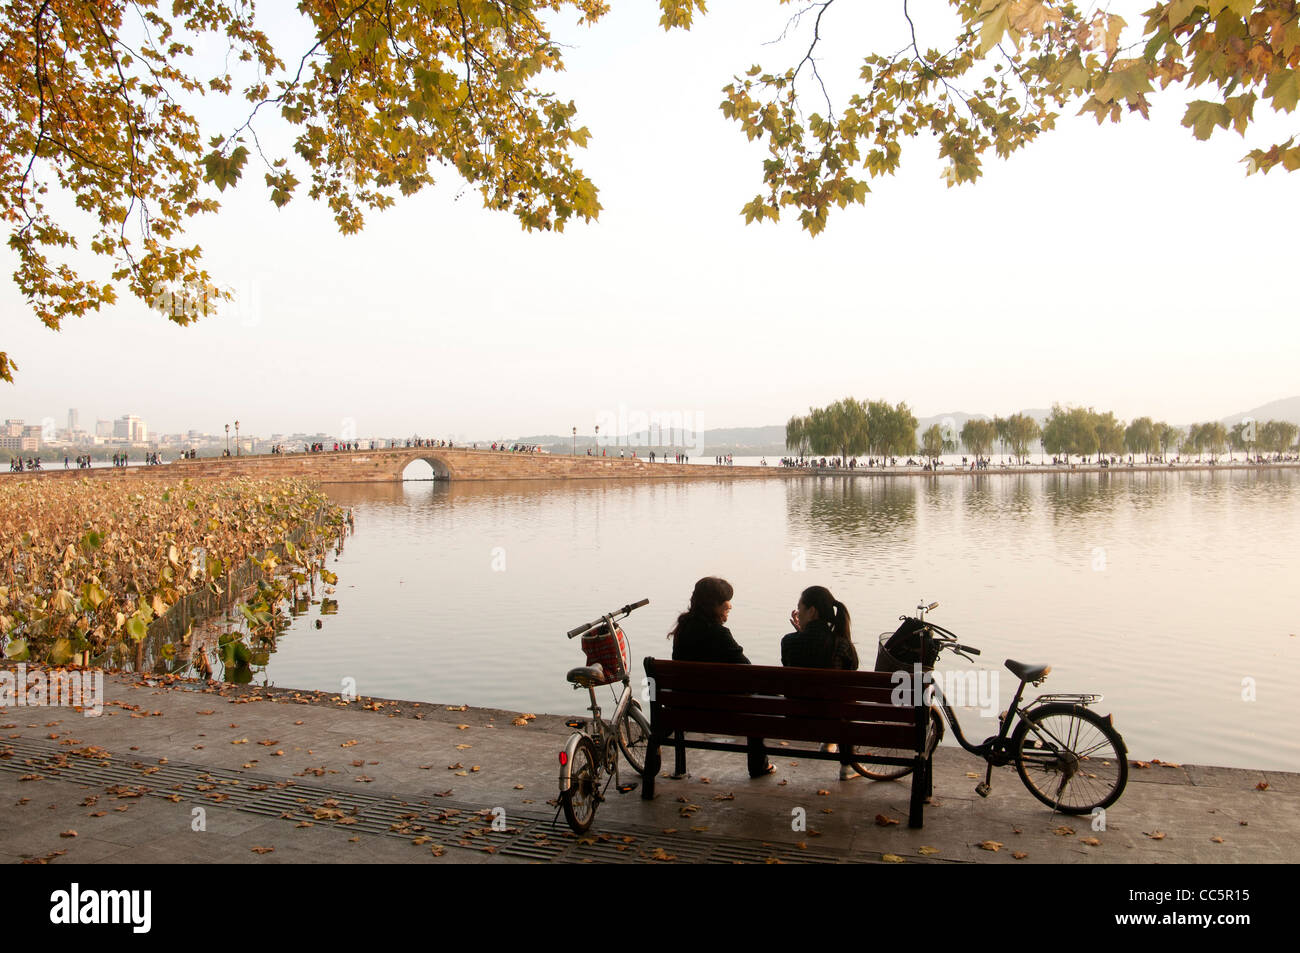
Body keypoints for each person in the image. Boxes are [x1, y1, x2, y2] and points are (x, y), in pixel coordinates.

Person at [669, 576, 775, 777]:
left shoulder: (683, 630)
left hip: (684, 710)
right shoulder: (720, 635)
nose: (730, 605)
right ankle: (758, 766)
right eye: (726, 600)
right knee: (757, 704)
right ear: (714, 606)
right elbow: (749, 672)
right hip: (725, 713)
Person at [781, 585, 859, 779]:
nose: (798, 612)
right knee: (844, 699)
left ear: (812, 611)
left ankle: (829, 742)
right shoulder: (840, 643)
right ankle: (846, 767)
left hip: (795, 718)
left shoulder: (788, 641)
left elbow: (790, 666)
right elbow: (853, 667)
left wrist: (801, 634)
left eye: (800, 608)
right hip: (833, 719)